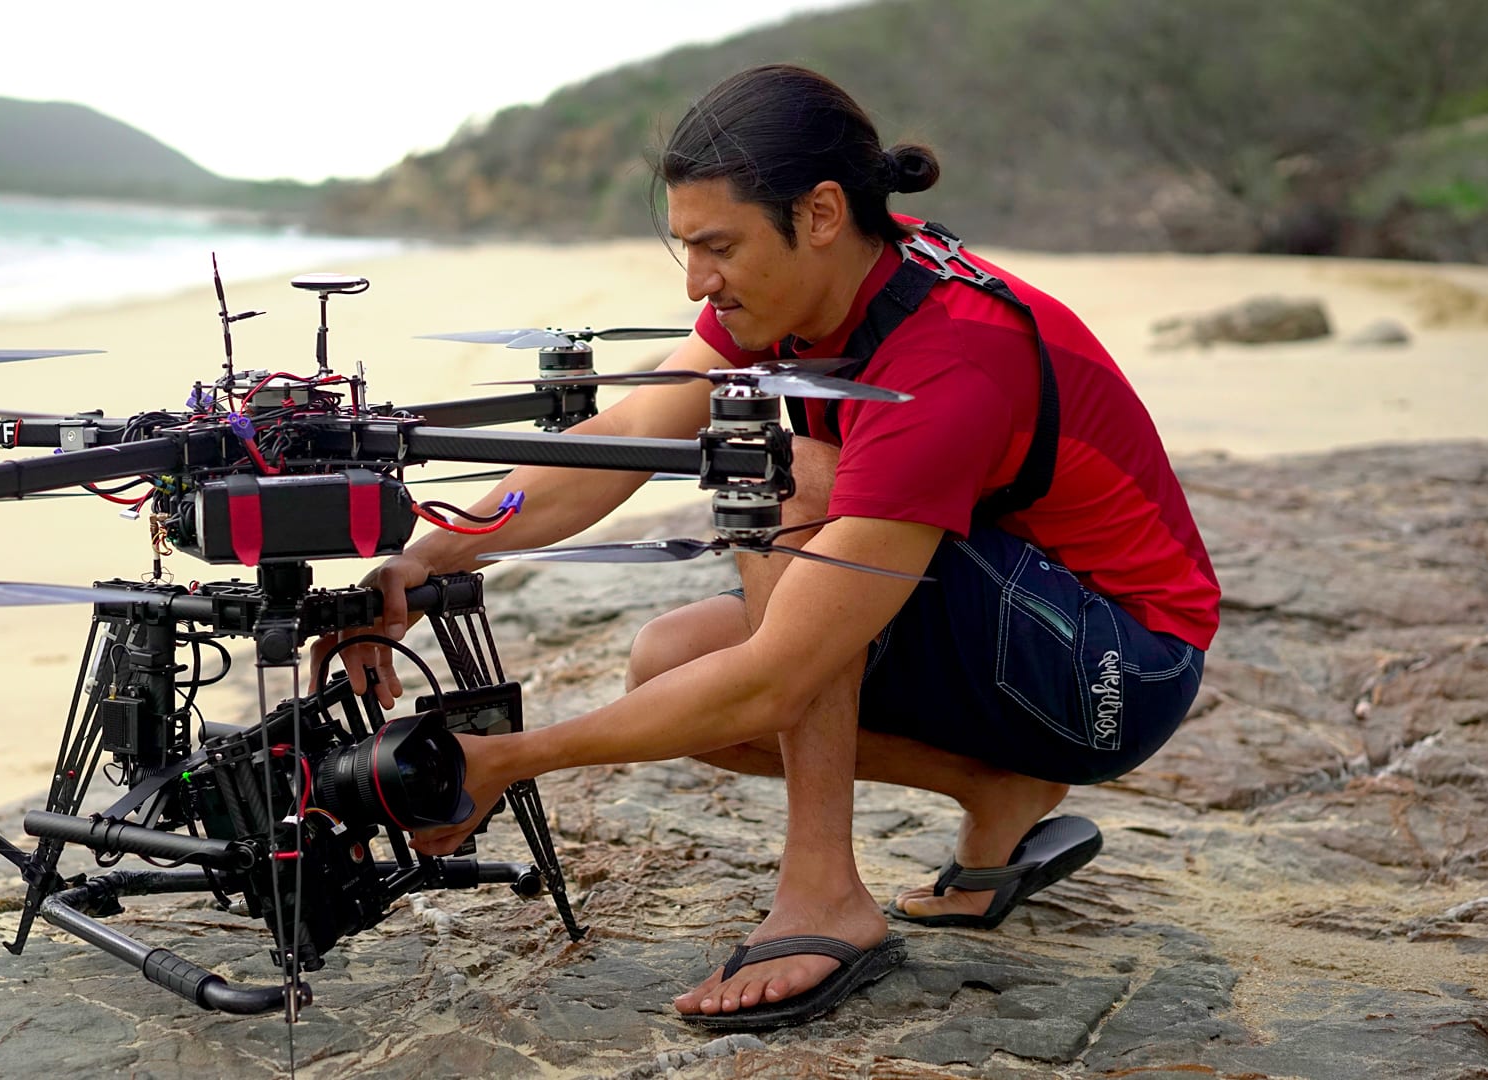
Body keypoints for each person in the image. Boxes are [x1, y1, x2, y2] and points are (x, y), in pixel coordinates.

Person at [331, 63, 1218, 1028]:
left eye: (718, 246)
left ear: (823, 212)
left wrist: (508, 758)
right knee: (667, 662)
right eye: (685, 246)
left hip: (1113, 670)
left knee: (780, 472)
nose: (695, 281)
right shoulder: (805, 295)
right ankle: (996, 788)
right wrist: (430, 554)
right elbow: (620, 443)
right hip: (1014, 633)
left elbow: (777, 679)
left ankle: (826, 897)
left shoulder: (947, 358)